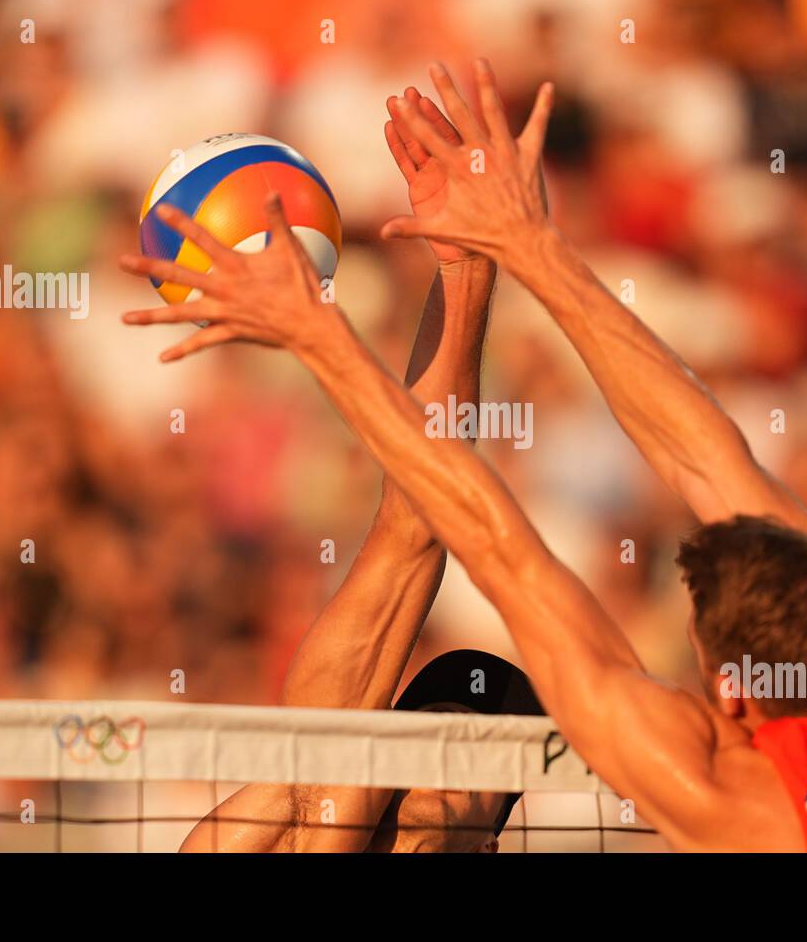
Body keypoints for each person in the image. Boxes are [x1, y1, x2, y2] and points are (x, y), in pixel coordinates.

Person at [123, 60, 807, 852]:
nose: (444, 788)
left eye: (469, 759)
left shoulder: (738, 799)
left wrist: (332, 336)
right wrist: (505, 252)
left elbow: (496, 541)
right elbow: (715, 473)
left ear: (728, 698)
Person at [178, 89, 542, 853]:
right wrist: (465, 272)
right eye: (428, 734)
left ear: (497, 830)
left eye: (477, 750)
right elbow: (414, 524)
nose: (445, 757)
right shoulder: (312, 825)